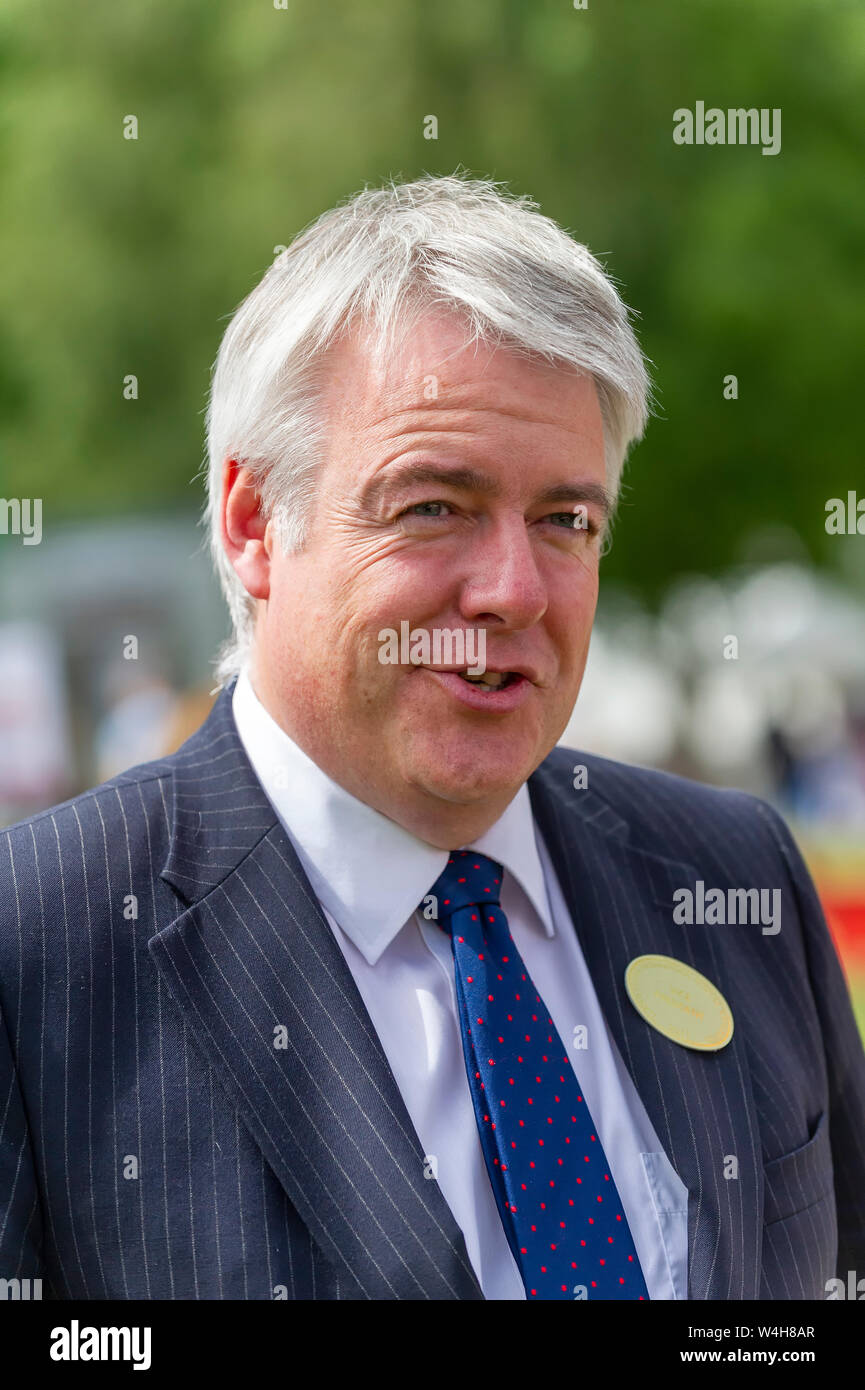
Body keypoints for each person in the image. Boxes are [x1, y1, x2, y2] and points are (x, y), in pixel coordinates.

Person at [2, 176, 863, 1301]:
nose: (514, 588)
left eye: (565, 519)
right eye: (433, 506)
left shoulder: (732, 874)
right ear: (256, 522)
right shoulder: (38, 950)